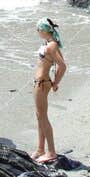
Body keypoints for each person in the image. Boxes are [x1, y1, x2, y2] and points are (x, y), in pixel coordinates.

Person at [32, 16, 66, 164]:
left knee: (43, 116)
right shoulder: (49, 44)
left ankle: (51, 151)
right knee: (39, 116)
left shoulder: (51, 45)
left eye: (38, 29)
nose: (37, 31)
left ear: (43, 30)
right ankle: (40, 148)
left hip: (42, 83)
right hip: (40, 83)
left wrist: (56, 82)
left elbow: (62, 65)